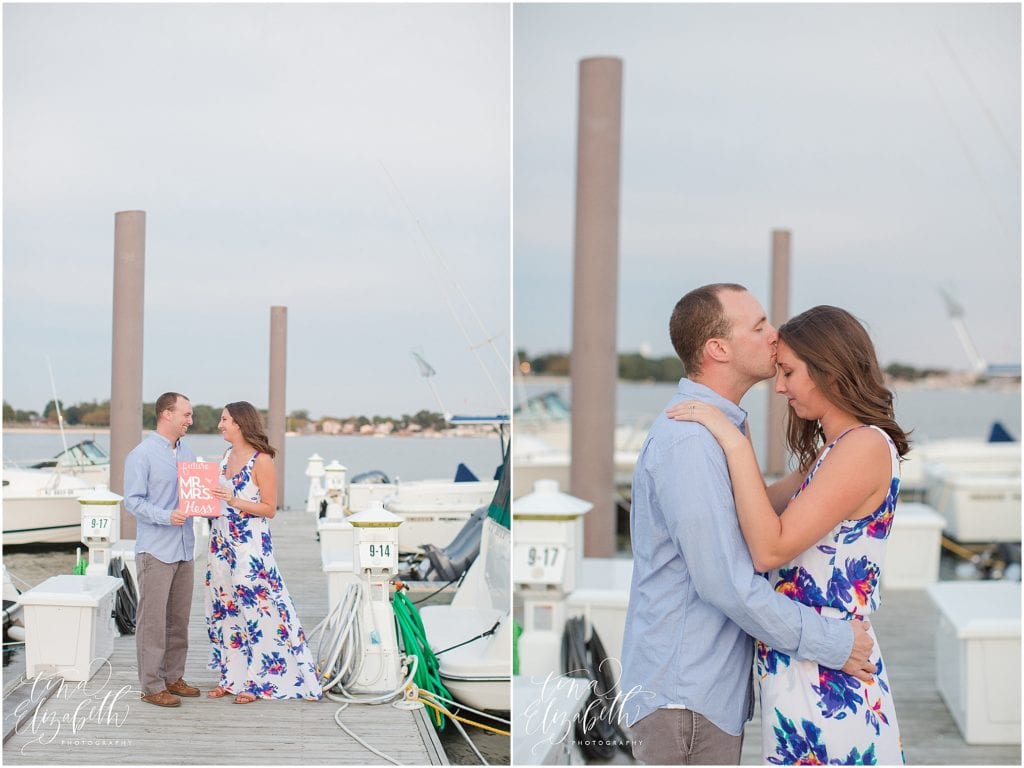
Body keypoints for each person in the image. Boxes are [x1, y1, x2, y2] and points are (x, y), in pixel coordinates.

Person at [620, 284, 877, 765]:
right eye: (758, 326)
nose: (774, 334)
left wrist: (824, 465)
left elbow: (754, 517)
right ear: (718, 349)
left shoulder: (718, 429)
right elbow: (728, 585)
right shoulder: (691, 442)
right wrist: (833, 643)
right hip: (684, 699)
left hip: (698, 695)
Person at [668, 304, 908, 764]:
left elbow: (769, 548)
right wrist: (734, 425)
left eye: (790, 373)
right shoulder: (832, 452)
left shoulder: (863, 446)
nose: (780, 387)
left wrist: (732, 441)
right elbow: (755, 510)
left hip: (831, 667)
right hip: (805, 657)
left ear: (830, 373)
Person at [204, 401, 322, 704]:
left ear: (240, 423)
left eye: (224, 419)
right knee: (226, 610)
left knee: (257, 613)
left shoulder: (262, 460)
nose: (220, 425)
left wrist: (233, 500)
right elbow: (220, 497)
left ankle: (257, 682)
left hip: (250, 547)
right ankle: (231, 678)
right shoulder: (226, 456)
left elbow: (269, 509)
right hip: (221, 543)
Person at [124, 391, 202, 708]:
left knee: (178, 621)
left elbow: (194, 495)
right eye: (186, 414)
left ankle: (173, 677)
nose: (190, 420)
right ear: (167, 414)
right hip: (156, 550)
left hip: (185, 548)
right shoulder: (141, 455)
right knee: (153, 622)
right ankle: (151, 685)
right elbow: (132, 501)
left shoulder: (188, 452)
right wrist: (165, 516)